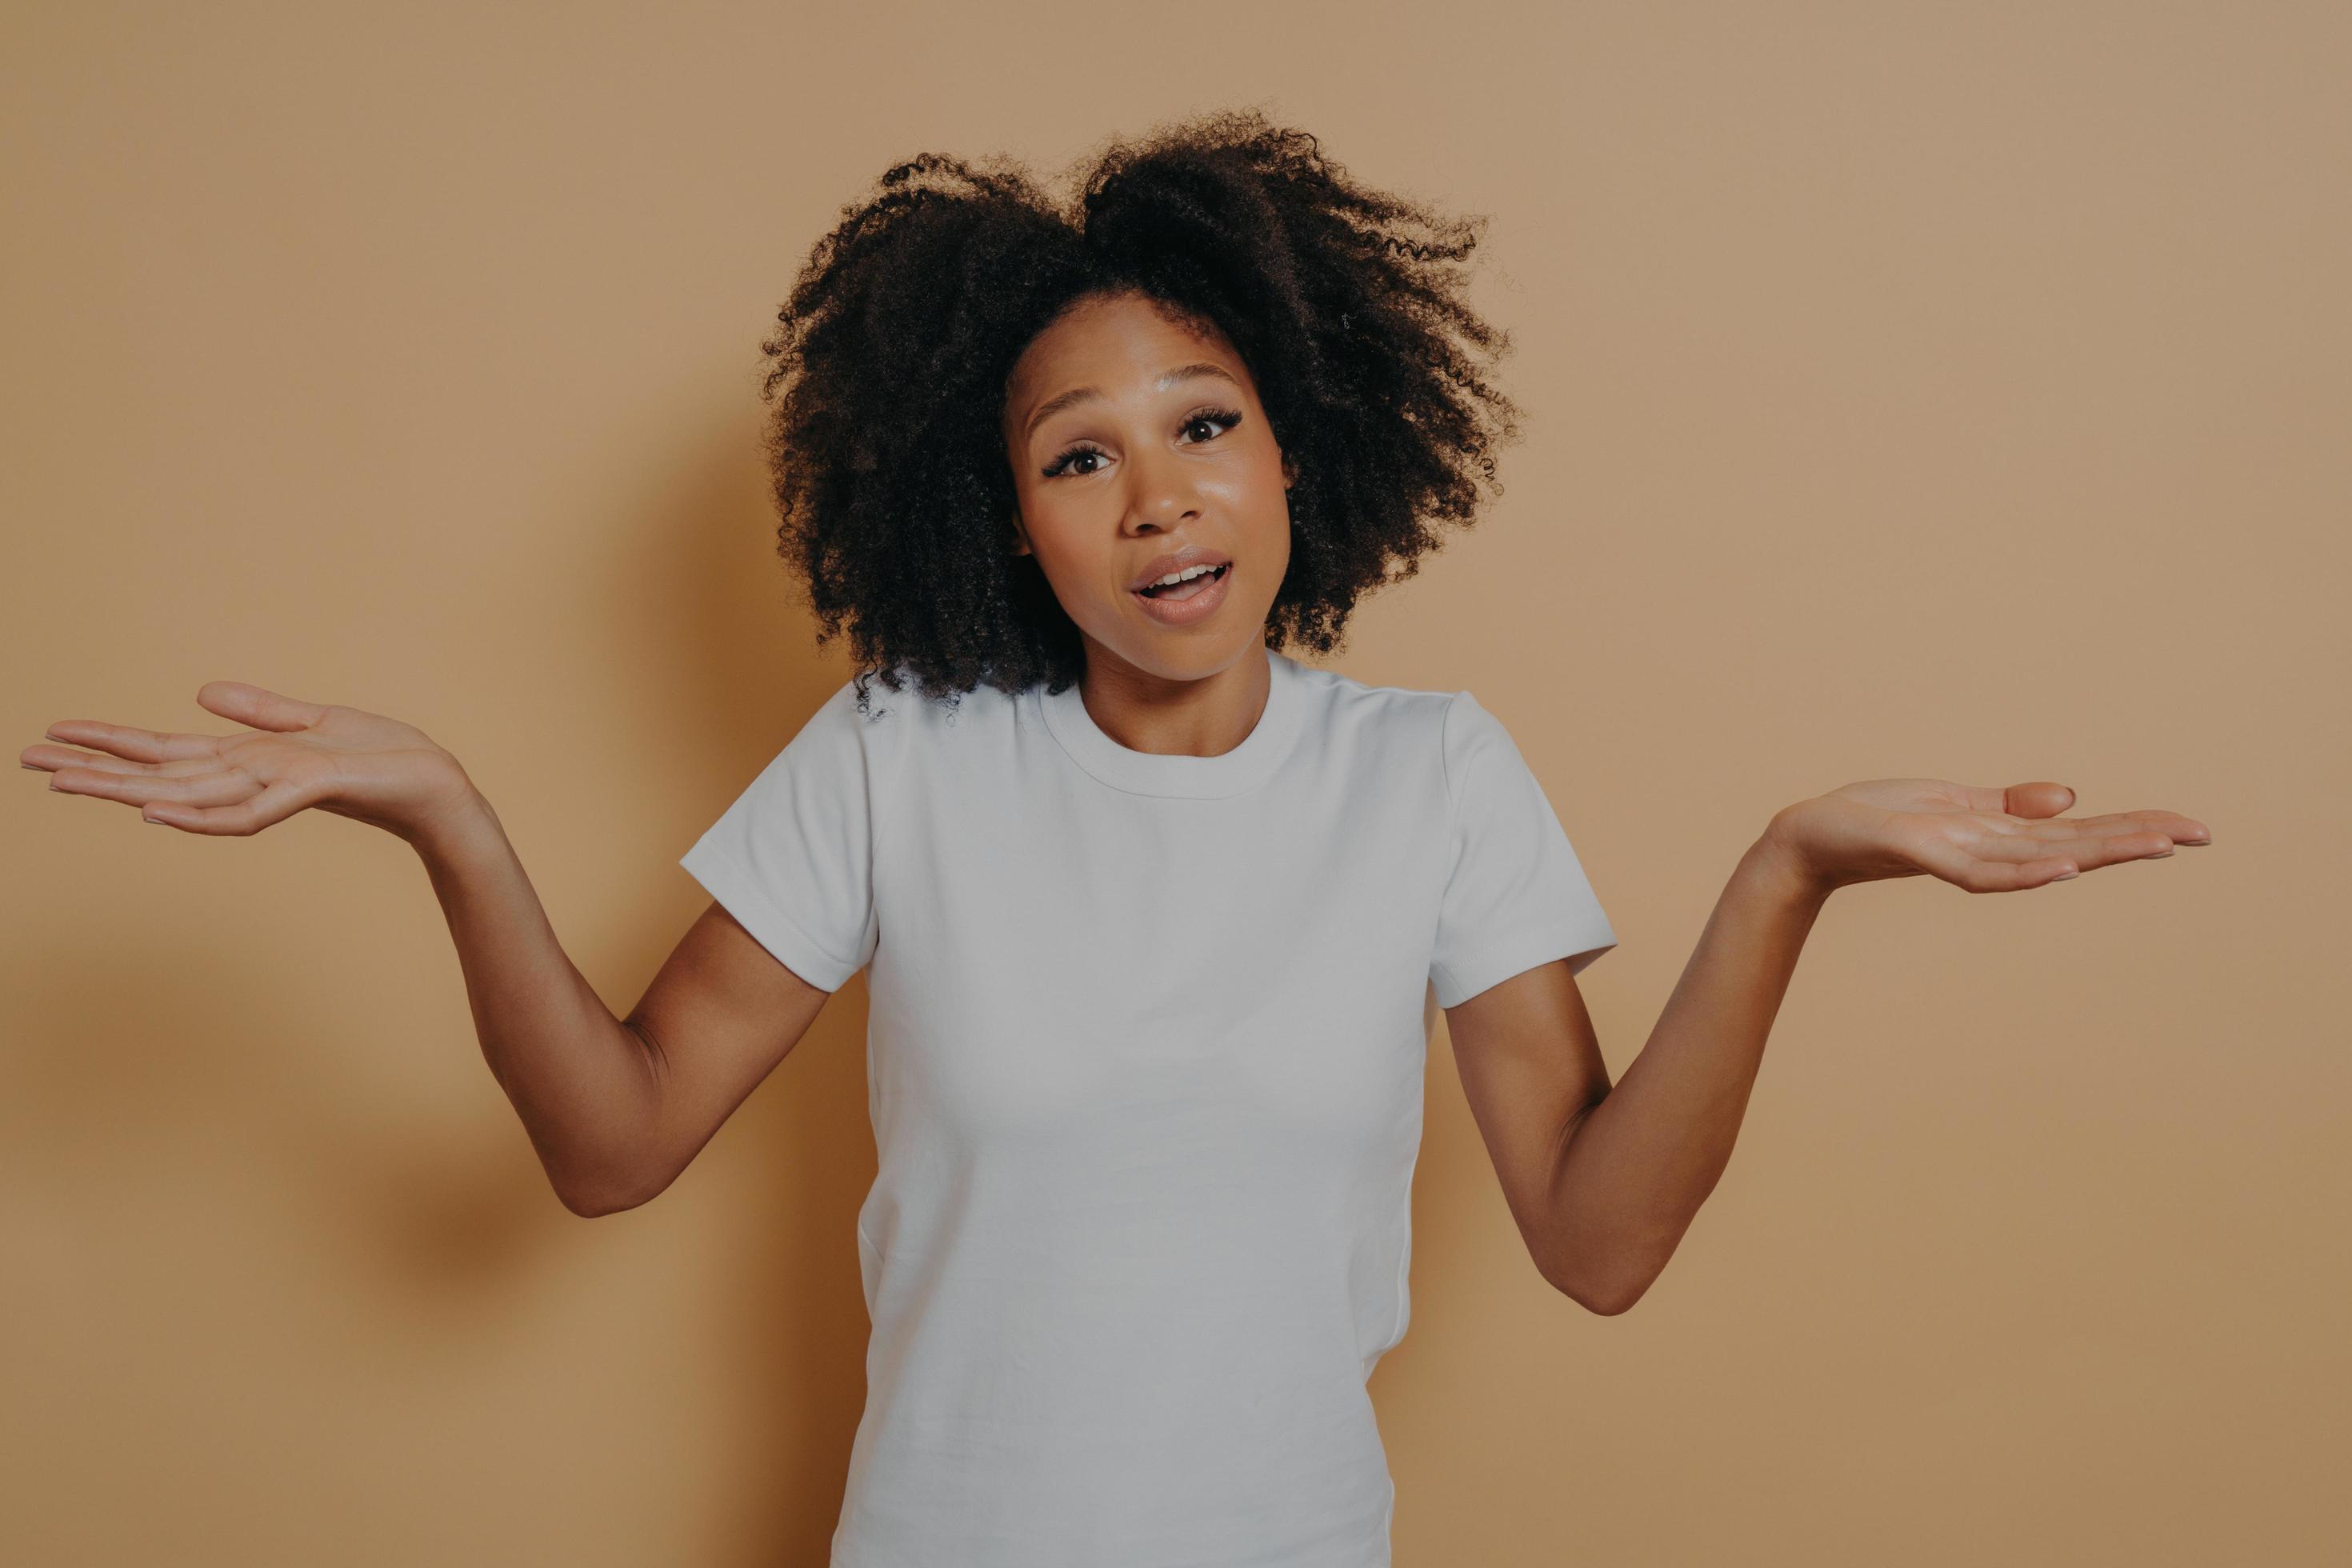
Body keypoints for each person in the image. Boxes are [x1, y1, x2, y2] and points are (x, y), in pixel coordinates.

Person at [22, 109, 2211, 1567]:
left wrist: (1784, 877)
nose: (1157, 494)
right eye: (1079, 457)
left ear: (1297, 455)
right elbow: (610, 1147)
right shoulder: (903, 755)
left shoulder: (1427, 774)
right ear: (1001, 519)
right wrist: (447, 820)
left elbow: (1596, 1244)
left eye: (1204, 427)